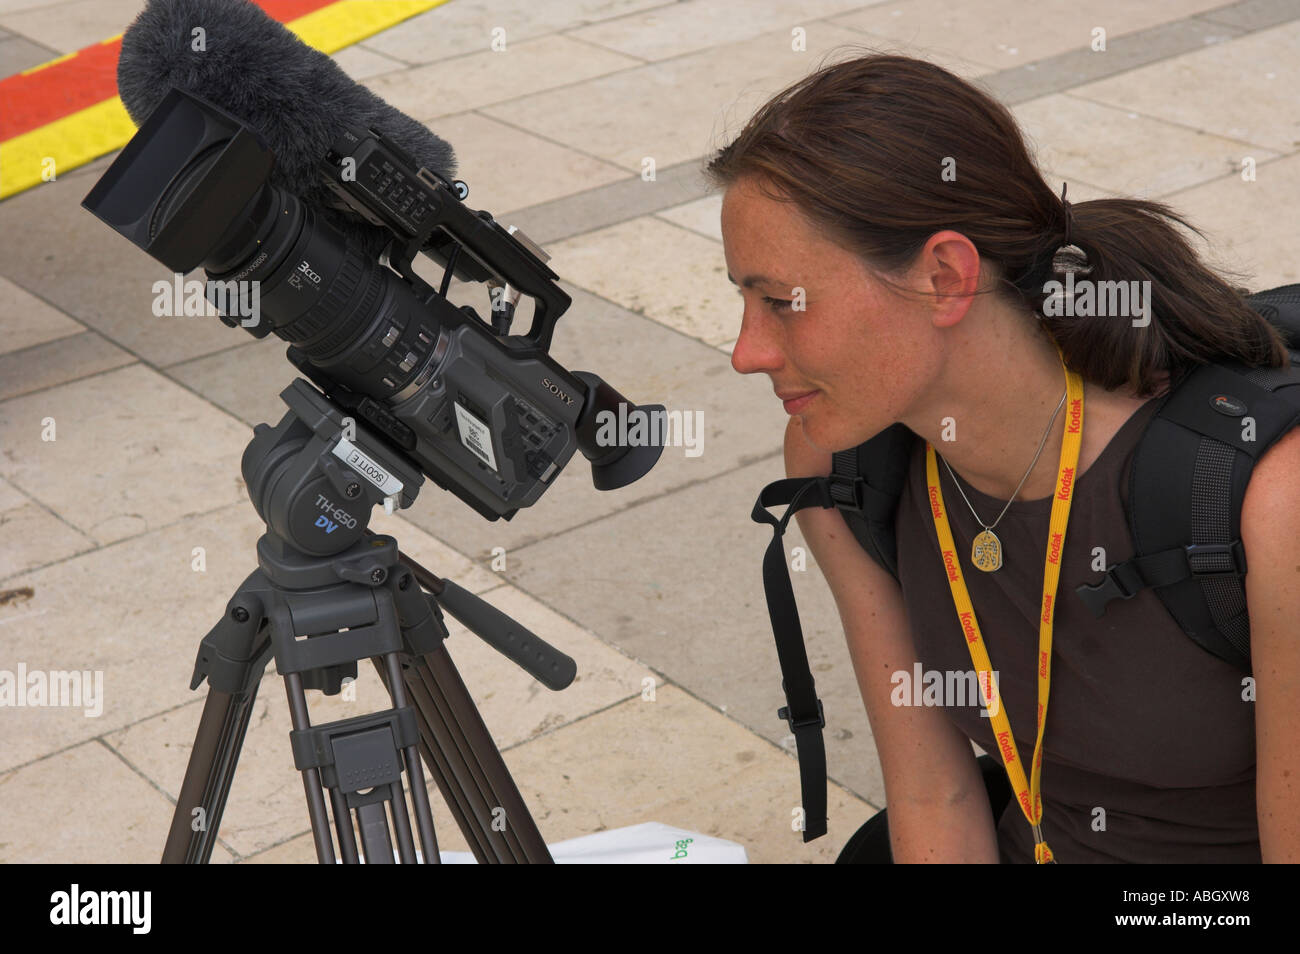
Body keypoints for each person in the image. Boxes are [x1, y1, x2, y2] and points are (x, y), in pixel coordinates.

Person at [706, 53, 1300, 863]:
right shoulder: (836, 466)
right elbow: (933, 796)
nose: (746, 353)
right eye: (744, 300)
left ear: (945, 277)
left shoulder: (1264, 494)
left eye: (782, 303)